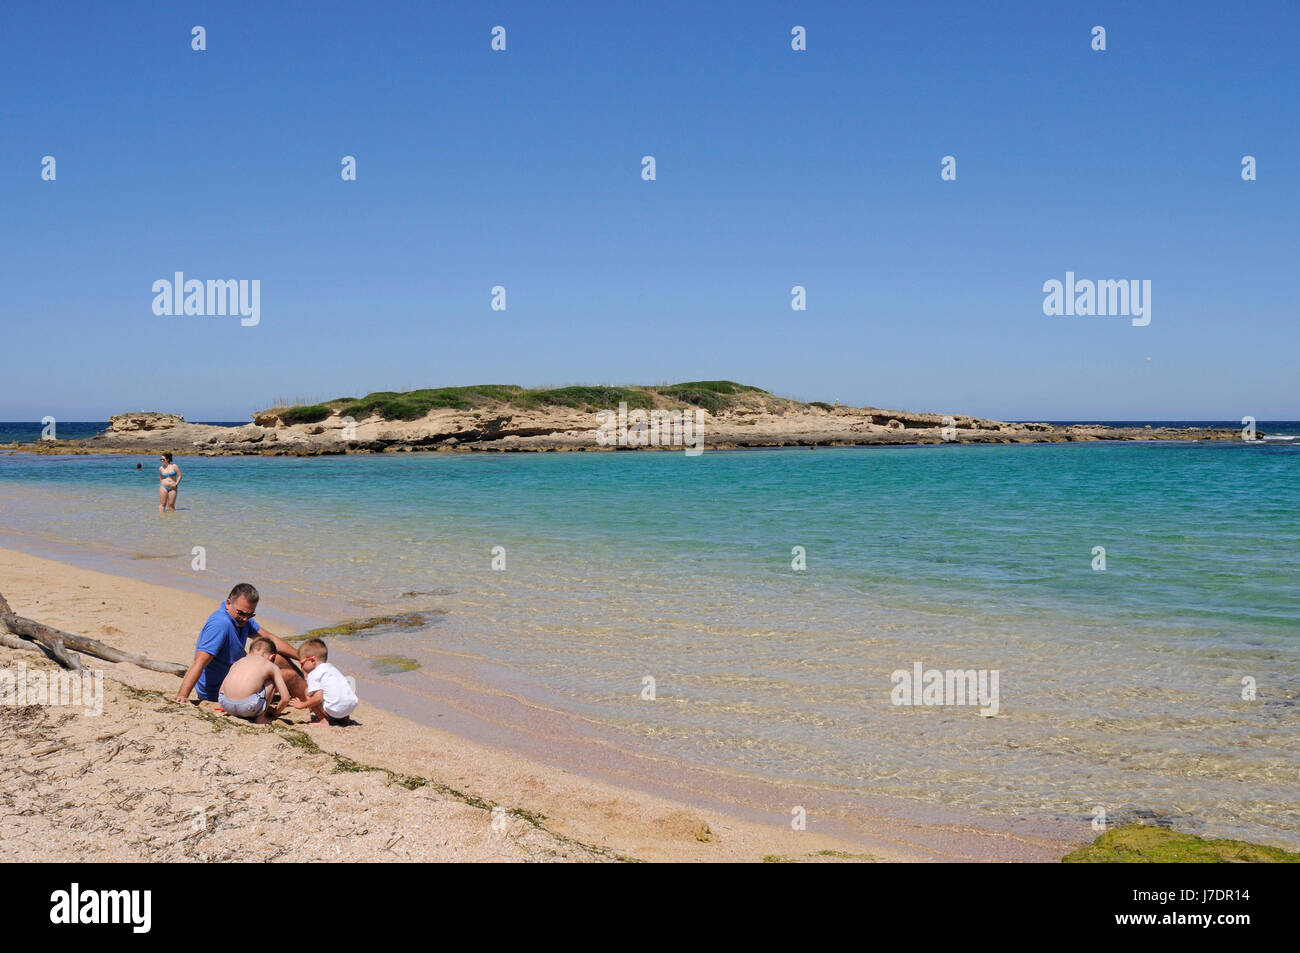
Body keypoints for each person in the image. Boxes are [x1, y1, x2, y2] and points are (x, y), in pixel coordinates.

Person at [173, 583, 307, 706]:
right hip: (220, 691)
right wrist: (183, 695)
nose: (245, 618)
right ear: (228, 603)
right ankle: (313, 701)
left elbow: (270, 639)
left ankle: (308, 693)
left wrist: (301, 658)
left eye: (250, 614)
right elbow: (199, 662)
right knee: (290, 676)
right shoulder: (220, 624)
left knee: (277, 657)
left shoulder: (242, 618)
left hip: (234, 677)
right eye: (241, 613)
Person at [218, 637, 289, 724]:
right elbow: (285, 698)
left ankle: (233, 709)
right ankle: (261, 718)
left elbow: (221, 689)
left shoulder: (238, 662)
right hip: (247, 707)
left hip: (225, 705)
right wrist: (275, 713)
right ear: (272, 657)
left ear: (248, 654)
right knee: (271, 681)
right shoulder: (271, 666)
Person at [291, 638, 359, 726]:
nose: (301, 667)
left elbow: (318, 698)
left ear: (312, 660)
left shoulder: (314, 674)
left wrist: (302, 705)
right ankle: (344, 719)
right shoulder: (331, 668)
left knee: (307, 692)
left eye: (302, 663)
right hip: (350, 706)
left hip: (336, 710)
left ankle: (323, 720)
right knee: (338, 691)